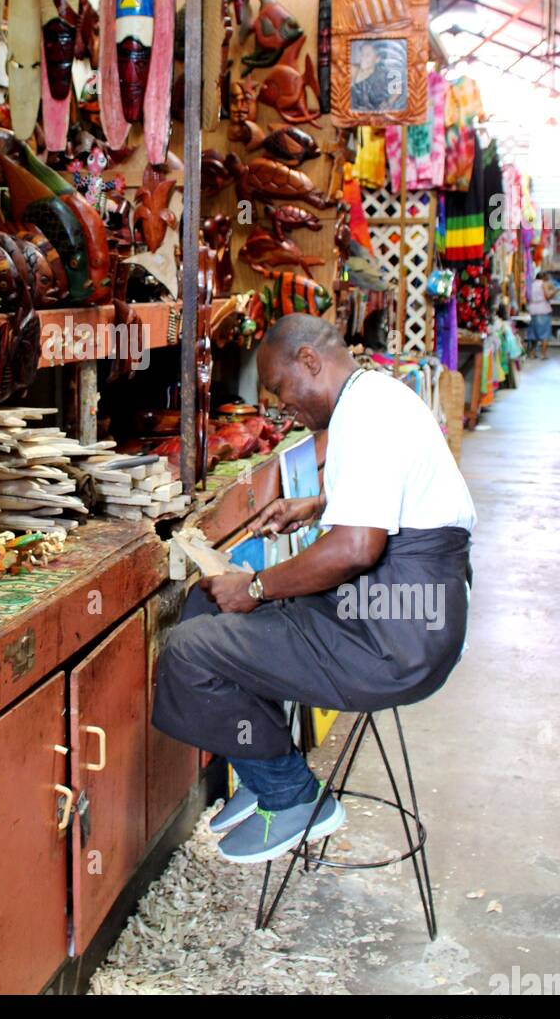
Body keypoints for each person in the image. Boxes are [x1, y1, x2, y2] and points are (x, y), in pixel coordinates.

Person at [152, 314, 476, 864]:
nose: (281, 407)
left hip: (396, 635)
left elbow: (355, 550)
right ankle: (261, 770)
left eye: (280, 390)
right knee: (204, 601)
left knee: (189, 652)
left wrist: (257, 585)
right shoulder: (372, 396)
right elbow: (389, 500)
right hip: (391, 609)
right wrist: (320, 505)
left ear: (310, 361)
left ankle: (294, 796)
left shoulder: (367, 412)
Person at [526, 271, 555, 360]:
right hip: (543, 310)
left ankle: (532, 353)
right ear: (544, 277)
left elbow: (527, 297)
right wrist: (555, 291)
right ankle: (543, 354)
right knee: (545, 334)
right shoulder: (543, 284)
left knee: (533, 334)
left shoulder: (531, 284)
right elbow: (547, 296)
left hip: (532, 310)